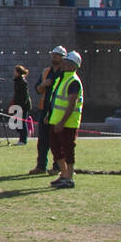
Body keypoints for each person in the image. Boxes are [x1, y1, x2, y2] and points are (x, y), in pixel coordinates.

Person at [48, 50, 83, 189]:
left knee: (68, 149)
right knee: (56, 149)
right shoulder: (61, 78)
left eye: (66, 62)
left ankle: (69, 178)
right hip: (55, 120)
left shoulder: (73, 81)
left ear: (73, 65)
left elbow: (71, 104)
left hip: (67, 122)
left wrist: (62, 122)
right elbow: (55, 99)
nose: (63, 64)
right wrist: (49, 116)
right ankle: (63, 174)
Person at [28, 46, 66, 175]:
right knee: (43, 140)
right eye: (53, 54)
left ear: (62, 58)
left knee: (57, 140)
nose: (53, 57)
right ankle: (41, 166)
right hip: (44, 109)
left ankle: (57, 167)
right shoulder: (46, 72)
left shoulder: (65, 73)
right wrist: (44, 84)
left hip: (58, 110)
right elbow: (38, 90)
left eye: (57, 55)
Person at [11, 64, 32, 145]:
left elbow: (25, 95)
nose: (14, 73)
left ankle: (23, 140)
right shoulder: (17, 81)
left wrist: (21, 106)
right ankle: (21, 139)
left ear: (18, 72)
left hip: (22, 105)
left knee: (22, 122)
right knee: (17, 123)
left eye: (15, 71)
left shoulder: (22, 81)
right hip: (18, 104)